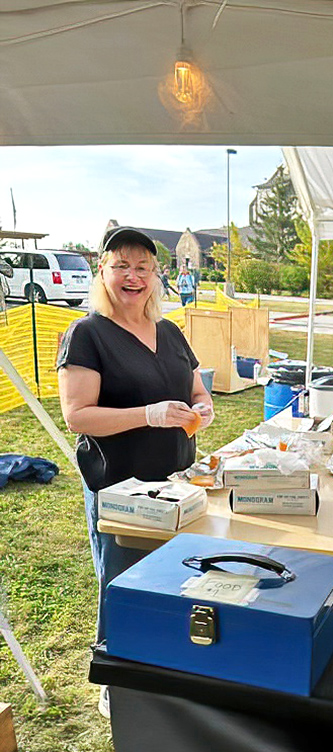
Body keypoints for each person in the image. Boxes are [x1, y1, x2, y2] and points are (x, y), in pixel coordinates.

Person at [57, 226, 214, 659]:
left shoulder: (170, 331)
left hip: (179, 483)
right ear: (102, 271)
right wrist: (148, 415)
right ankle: (115, 668)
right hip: (122, 489)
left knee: (175, 578)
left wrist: (203, 406)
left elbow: (196, 388)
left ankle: (165, 657)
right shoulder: (88, 334)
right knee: (123, 584)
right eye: (121, 265)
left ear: (156, 275)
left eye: (142, 267)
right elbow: (77, 416)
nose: (133, 276)